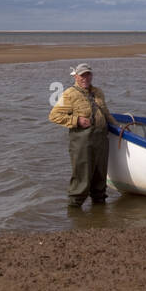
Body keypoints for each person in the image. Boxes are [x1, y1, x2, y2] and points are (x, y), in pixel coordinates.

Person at [48, 63, 118, 207]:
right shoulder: (69, 94)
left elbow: (106, 113)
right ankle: (74, 211)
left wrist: (119, 127)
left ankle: (99, 212)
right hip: (81, 141)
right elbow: (54, 116)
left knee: (100, 179)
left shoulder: (98, 92)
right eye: (82, 75)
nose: (85, 78)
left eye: (88, 74)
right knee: (81, 178)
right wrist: (77, 120)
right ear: (76, 77)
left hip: (101, 140)